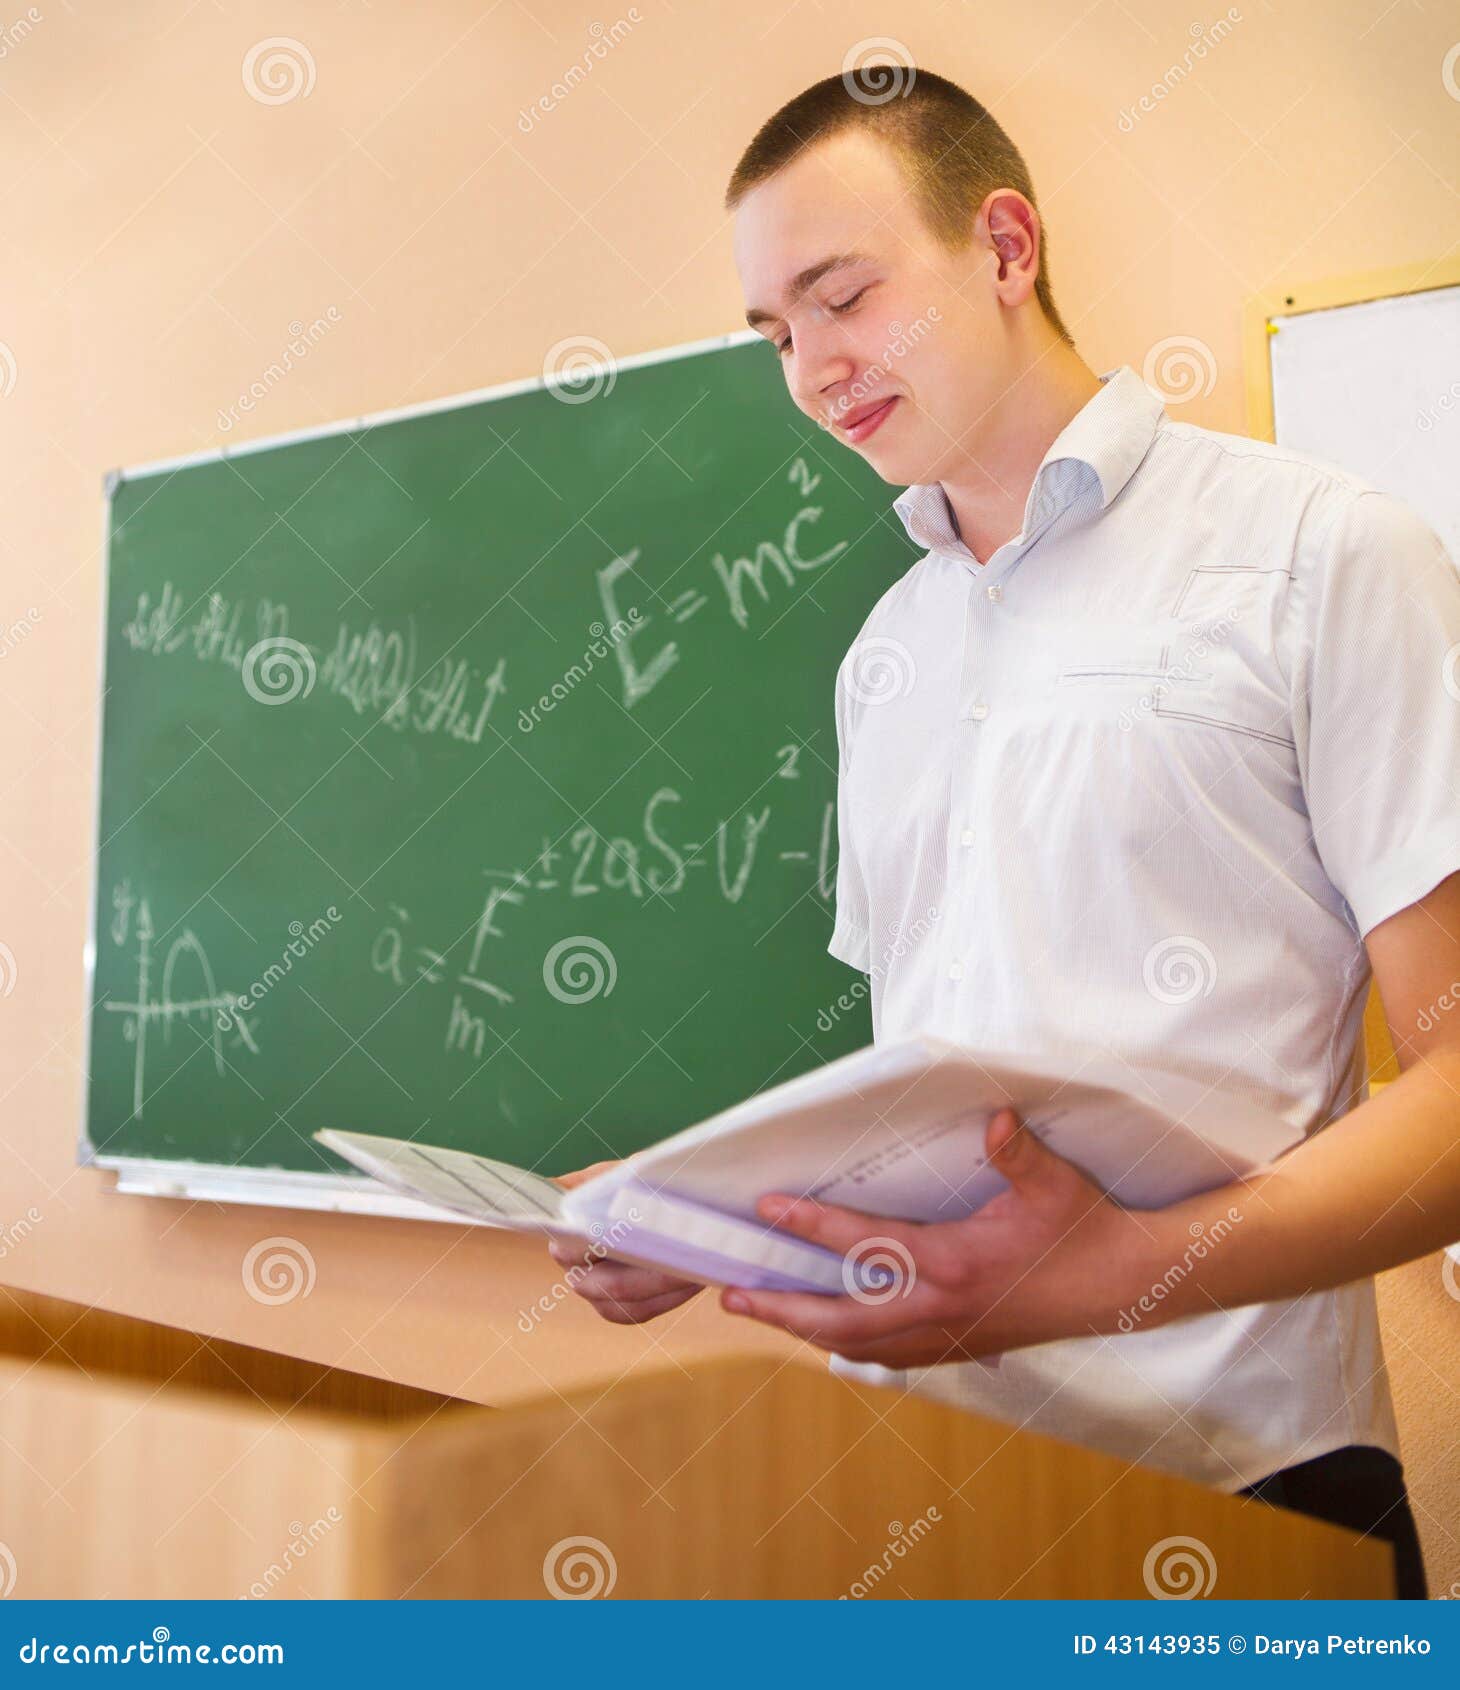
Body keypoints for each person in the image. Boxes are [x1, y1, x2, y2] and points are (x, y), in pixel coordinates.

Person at [550, 66, 1460, 1600]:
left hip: (1246, 1493)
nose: (813, 372)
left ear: (1007, 248)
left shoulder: (1322, 554)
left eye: (842, 297)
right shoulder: (881, 656)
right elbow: (930, 1074)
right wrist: (709, 1207)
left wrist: (1108, 1279)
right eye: (775, 334)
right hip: (912, 1495)